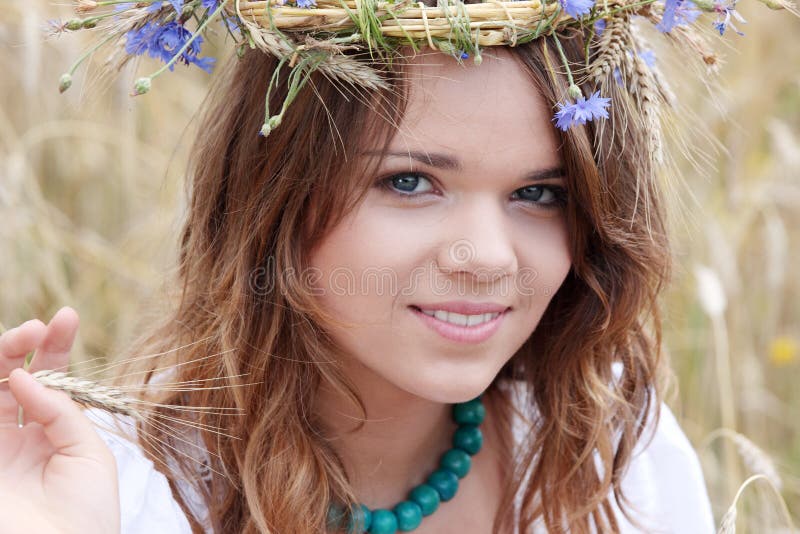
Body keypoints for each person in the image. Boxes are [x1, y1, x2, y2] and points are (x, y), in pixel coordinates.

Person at [0, 10, 720, 534]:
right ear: (271, 196)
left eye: (540, 194)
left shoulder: (610, 450)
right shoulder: (117, 495)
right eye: (409, 183)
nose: (490, 257)